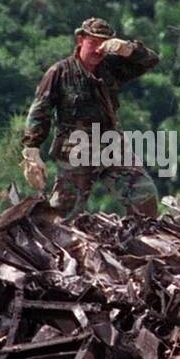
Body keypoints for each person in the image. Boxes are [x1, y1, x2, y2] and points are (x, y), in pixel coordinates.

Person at [21, 17, 160, 217]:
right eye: (93, 42)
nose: (97, 50)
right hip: (77, 148)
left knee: (144, 195)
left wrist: (128, 49)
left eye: (102, 44)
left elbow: (152, 60)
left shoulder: (111, 67)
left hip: (111, 144)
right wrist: (31, 148)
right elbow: (40, 110)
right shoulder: (60, 72)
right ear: (80, 40)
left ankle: (140, 243)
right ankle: (49, 245)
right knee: (64, 212)